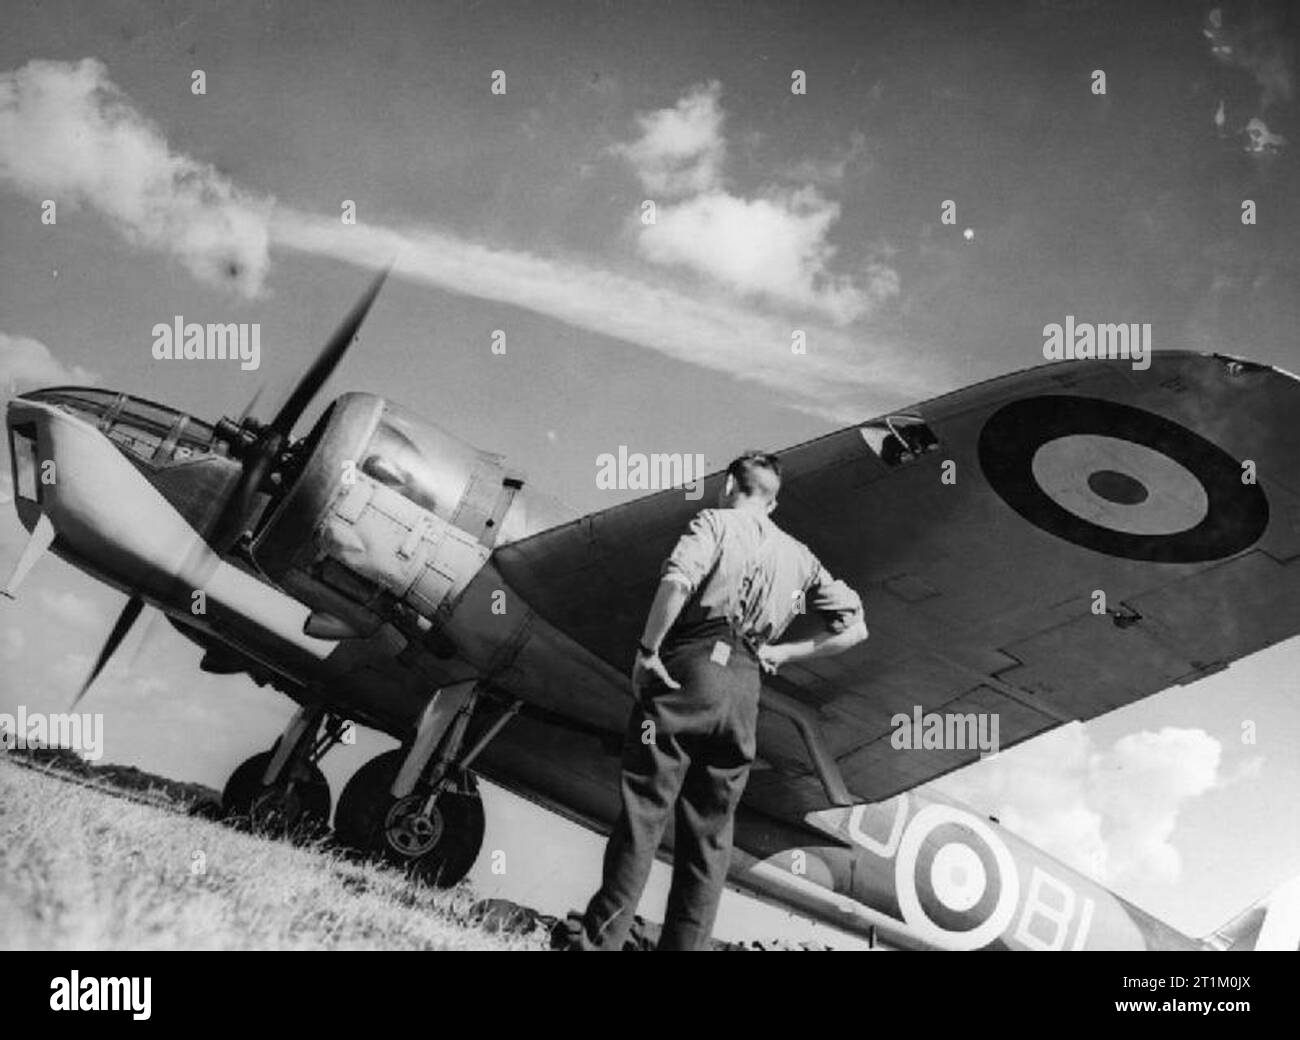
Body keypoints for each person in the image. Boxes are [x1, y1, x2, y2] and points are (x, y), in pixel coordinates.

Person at [559, 450, 867, 951]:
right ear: (772, 502)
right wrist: (783, 653)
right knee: (710, 838)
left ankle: (599, 942)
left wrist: (647, 650)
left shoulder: (714, 521)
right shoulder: (801, 557)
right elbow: (857, 628)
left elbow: (677, 581)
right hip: (746, 692)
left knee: (645, 812)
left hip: (692, 669)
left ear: (729, 486)